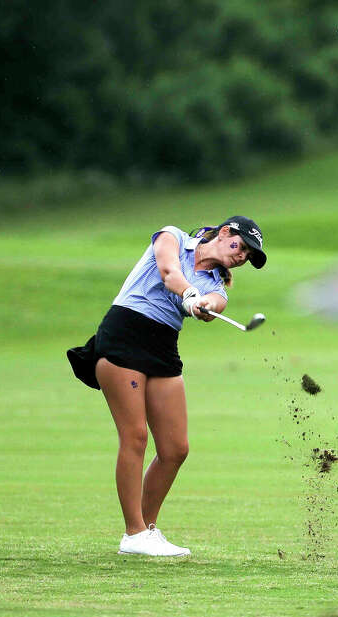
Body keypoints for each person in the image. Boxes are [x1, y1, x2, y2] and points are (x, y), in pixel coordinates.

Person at [67, 216, 267, 556]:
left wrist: (203, 305)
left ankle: (146, 529)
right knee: (135, 437)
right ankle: (133, 534)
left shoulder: (216, 287)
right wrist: (188, 292)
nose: (243, 256)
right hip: (125, 332)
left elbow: (215, 304)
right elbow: (169, 271)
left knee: (176, 448)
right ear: (224, 233)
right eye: (242, 246)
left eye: (248, 255)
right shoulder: (172, 236)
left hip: (162, 345)